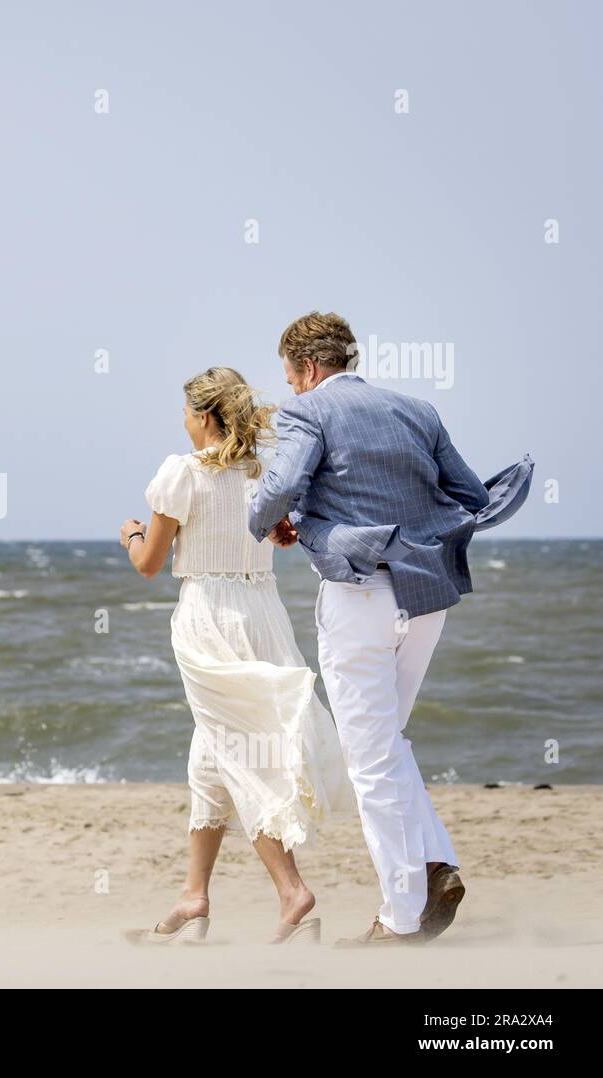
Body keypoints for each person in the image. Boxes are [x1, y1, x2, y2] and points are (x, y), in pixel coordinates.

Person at [248, 310, 531, 947]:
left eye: (291, 378)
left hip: (360, 597)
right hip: (425, 597)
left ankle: (401, 919)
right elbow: (467, 493)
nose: (291, 389)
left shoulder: (309, 412)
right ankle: (435, 868)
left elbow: (282, 484)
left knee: (370, 758)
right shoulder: (418, 410)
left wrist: (269, 519)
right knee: (385, 745)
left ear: (310, 368)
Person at [121, 367, 355, 946]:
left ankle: (292, 892)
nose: (181, 422)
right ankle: (193, 899)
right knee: (213, 754)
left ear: (202, 416)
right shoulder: (261, 475)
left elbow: (149, 565)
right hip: (264, 615)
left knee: (238, 753)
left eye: (184, 412)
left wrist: (128, 534)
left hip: (209, 619)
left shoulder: (183, 472)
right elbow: (282, 532)